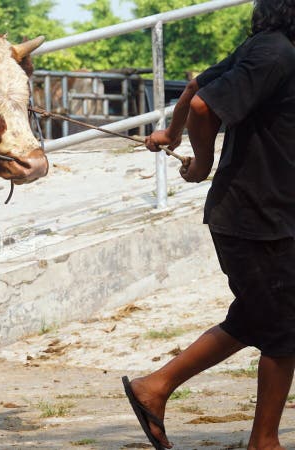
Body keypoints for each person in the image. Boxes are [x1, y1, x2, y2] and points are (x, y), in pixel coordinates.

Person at [123, 1, 295, 449]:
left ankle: (155, 387)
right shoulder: (275, 54)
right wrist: (201, 161)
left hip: (265, 213)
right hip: (256, 216)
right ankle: (264, 441)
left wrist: (171, 133)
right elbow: (204, 105)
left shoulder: (264, 48)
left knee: (258, 318)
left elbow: (199, 82)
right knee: (283, 331)